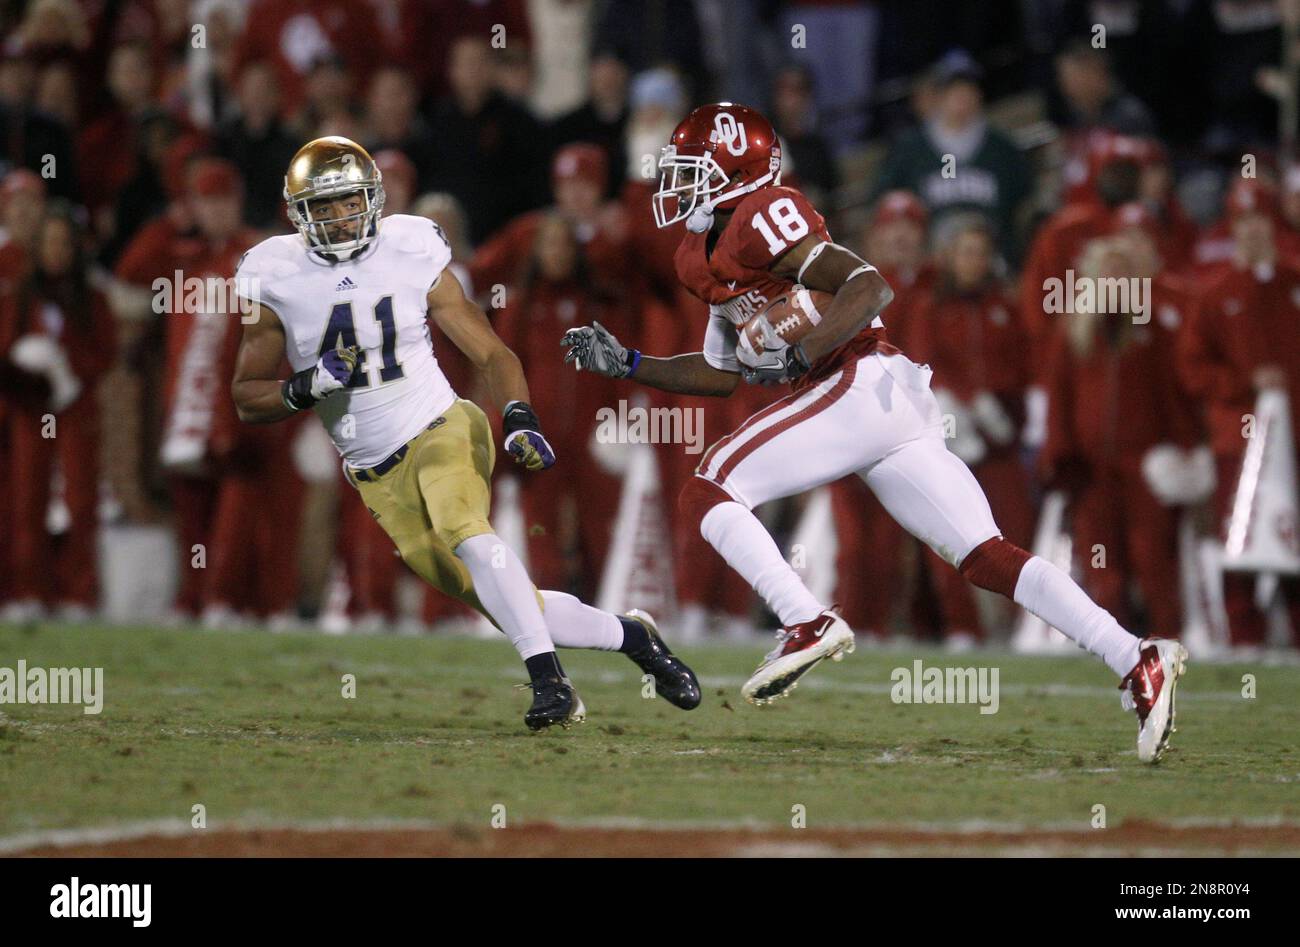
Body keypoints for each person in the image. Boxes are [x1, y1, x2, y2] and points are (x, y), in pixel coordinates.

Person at [563, 103, 1187, 763]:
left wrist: (805, 352)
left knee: (708, 486)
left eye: (694, 169)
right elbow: (722, 374)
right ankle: (1137, 656)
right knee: (984, 554)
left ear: (736, 169)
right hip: (880, 400)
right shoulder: (697, 252)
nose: (677, 184)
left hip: (857, 377)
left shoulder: (763, 213)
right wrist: (631, 363)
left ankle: (806, 618)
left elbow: (866, 285)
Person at [231, 137, 699, 729]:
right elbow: (248, 397)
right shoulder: (273, 272)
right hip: (374, 472)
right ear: (297, 214)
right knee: (502, 600)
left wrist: (518, 416)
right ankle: (634, 637)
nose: (339, 218)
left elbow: (492, 352)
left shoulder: (410, 246)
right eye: (322, 208)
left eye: (348, 202)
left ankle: (548, 681)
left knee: (464, 528)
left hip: (439, 426)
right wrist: (304, 387)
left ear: (371, 199)